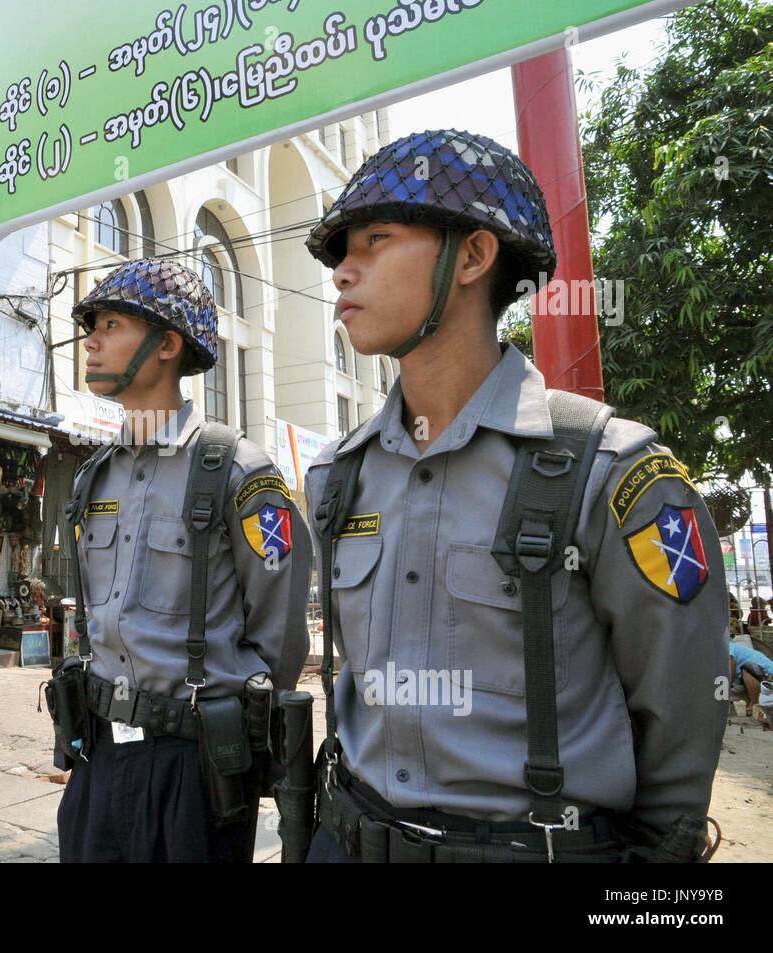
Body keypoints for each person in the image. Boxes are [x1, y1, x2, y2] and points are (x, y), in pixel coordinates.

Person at [302, 129, 729, 863]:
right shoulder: (337, 477)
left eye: (375, 239)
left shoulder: (610, 471)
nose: (345, 270)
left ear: (473, 256)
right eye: (342, 251)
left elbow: (680, 726)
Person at [51, 257, 313, 863]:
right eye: (91, 325)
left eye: (112, 324)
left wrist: (233, 732)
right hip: (100, 751)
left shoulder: (237, 471)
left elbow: (280, 636)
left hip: (193, 764)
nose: (91, 340)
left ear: (168, 344)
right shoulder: (95, 475)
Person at [729, 638, 772, 721]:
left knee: (748, 669)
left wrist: (728, 685)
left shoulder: (727, 646)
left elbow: (731, 663)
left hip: (766, 672)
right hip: (756, 675)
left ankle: (755, 704)